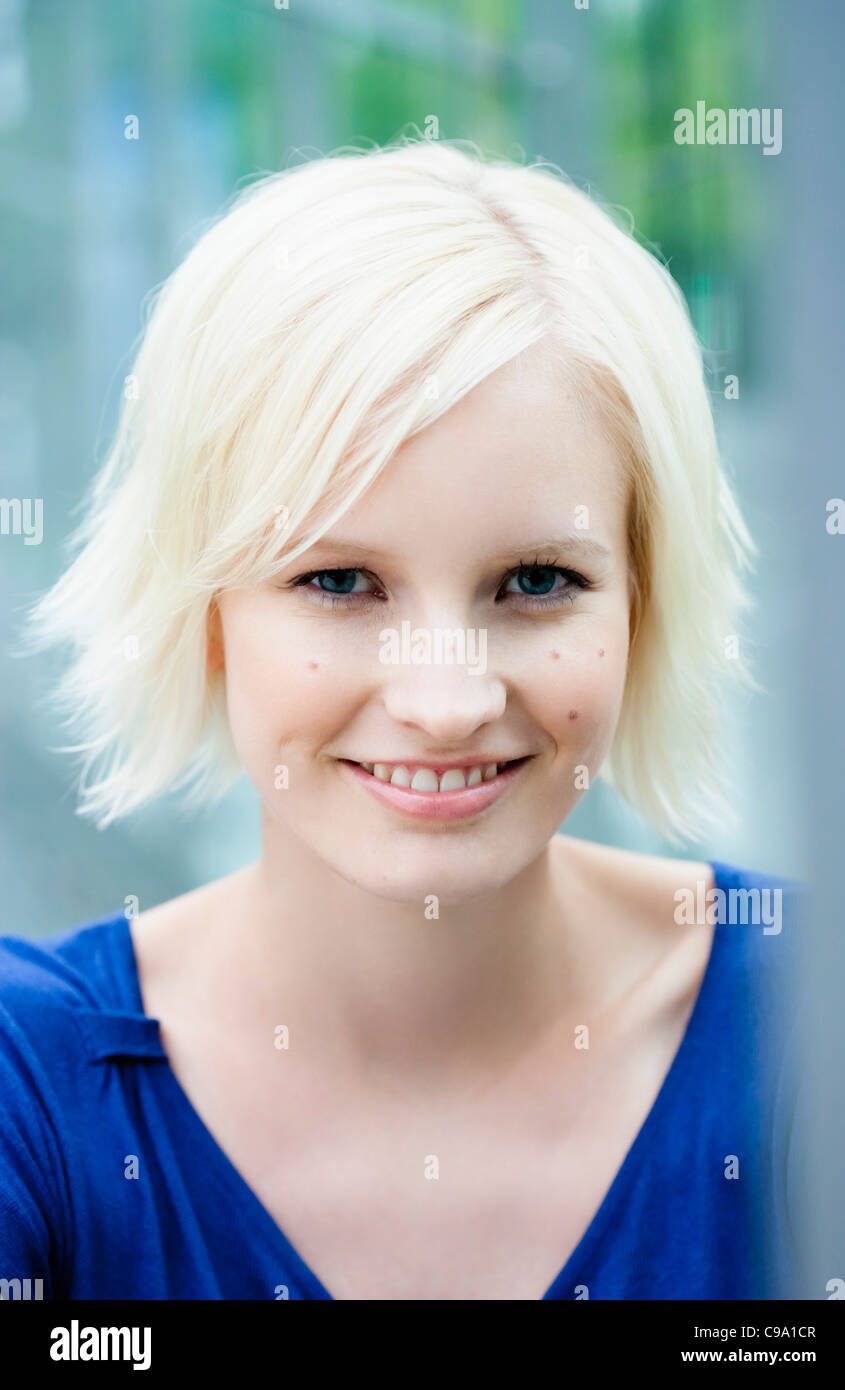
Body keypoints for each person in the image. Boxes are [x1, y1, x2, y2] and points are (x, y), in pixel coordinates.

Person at [0, 139, 801, 1301]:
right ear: (203, 607)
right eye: (337, 582)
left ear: (644, 598)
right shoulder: (33, 1091)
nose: (444, 703)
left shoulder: (820, 1019)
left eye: (534, 581)